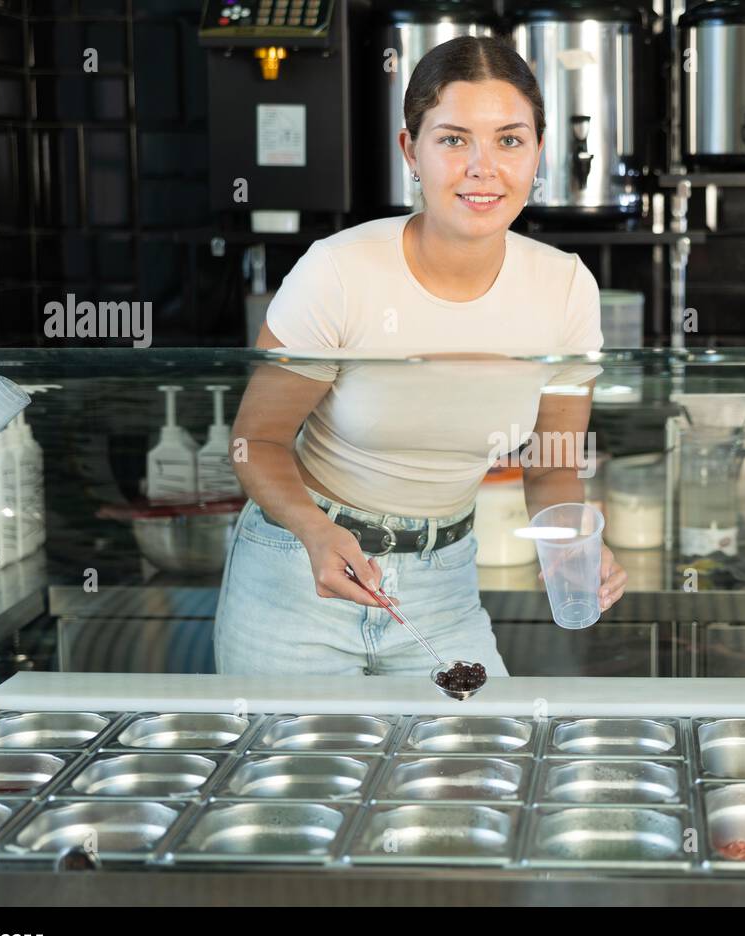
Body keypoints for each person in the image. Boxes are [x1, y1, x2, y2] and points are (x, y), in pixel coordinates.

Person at [214, 35, 627, 677]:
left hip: (445, 585)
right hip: (299, 576)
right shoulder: (339, 272)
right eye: (454, 139)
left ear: (538, 152)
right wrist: (314, 531)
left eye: (509, 140)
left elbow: (551, 464)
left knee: (478, 744)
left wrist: (571, 542)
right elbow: (255, 443)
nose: (483, 168)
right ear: (411, 150)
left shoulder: (567, 287)